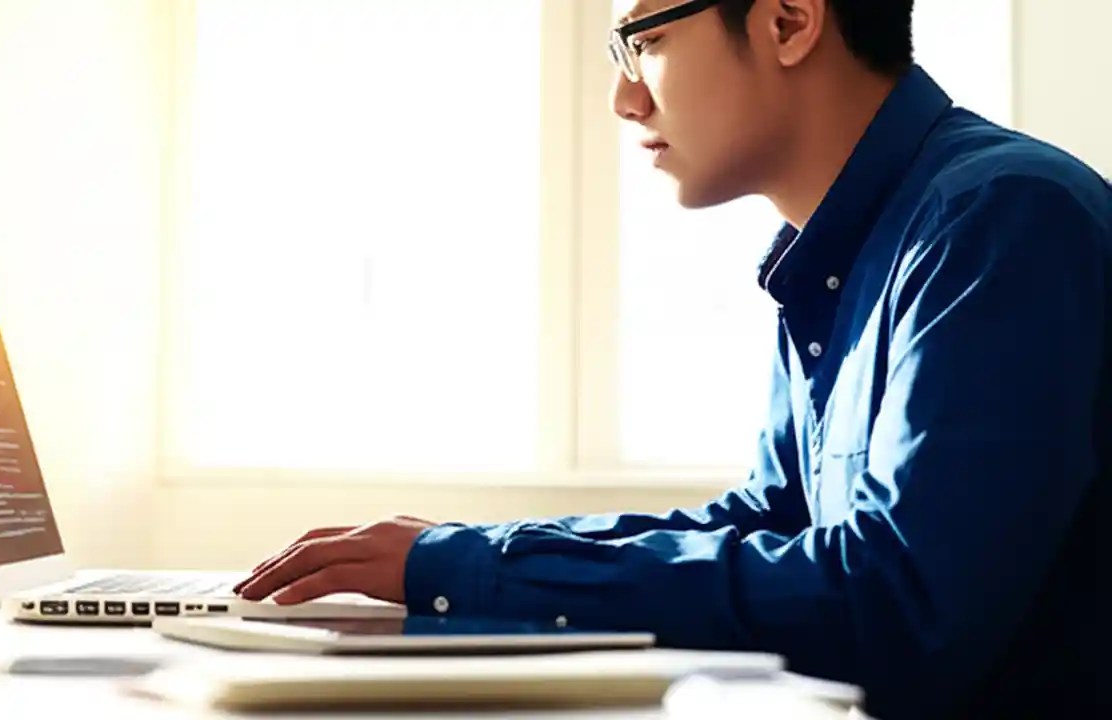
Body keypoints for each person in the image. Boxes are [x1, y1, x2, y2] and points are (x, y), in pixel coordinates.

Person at [233, 1, 1111, 717]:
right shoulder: (839, 251)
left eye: (644, 42)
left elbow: (897, 607)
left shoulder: (1000, 220)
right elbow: (775, 524)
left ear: (788, 22)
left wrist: (470, 569)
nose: (623, 99)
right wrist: (454, 555)